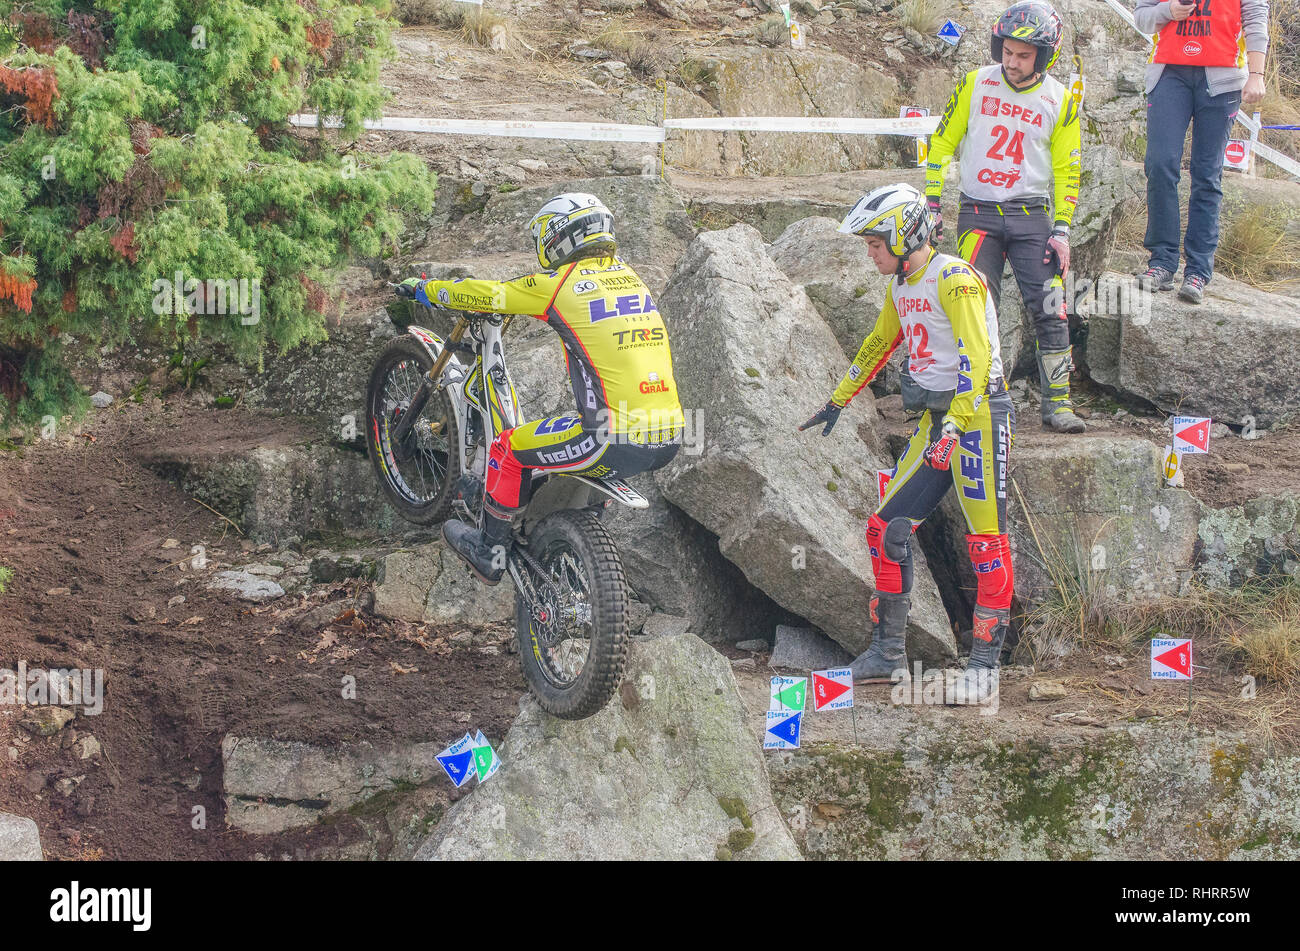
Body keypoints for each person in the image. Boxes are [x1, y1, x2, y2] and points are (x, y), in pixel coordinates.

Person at [799, 184, 1015, 704]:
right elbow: (879, 341)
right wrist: (837, 400)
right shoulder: (901, 284)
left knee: (985, 541)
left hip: (978, 416)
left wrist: (959, 426)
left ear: (903, 234)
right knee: (884, 528)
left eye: (875, 243)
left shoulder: (955, 279)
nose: (869, 252)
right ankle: (887, 653)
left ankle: (984, 666)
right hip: (936, 419)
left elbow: (977, 356)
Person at [400, 193, 684, 584]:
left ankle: (488, 551)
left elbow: (485, 295)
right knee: (571, 430)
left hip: (610, 436)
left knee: (508, 449)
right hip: (669, 437)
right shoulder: (633, 280)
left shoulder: (559, 284)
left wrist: (424, 289)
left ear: (558, 238)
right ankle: (562, 535)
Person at [926, 1, 1085, 434]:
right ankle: (982, 397)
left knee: (1052, 308)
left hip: (1033, 217)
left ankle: (1058, 404)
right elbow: (941, 143)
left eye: (1023, 55)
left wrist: (1063, 229)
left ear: (1044, 56)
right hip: (978, 216)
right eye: (1007, 52)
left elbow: (1068, 170)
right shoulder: (975, 83)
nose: (1011, 63)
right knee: (976, 310)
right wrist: (933, 202)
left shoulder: (1061, 100)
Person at [1134, 0, 1270, 303]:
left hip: (1222, 78)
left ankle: (1197, 270)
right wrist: (1168, 11)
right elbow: (1141, 18)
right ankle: (1162, 262)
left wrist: (1257, 74)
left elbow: (1256, 19)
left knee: (1206, 174)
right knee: (1160, 164)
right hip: (1169, 74)